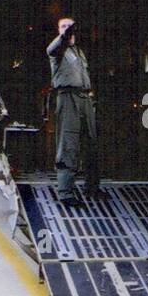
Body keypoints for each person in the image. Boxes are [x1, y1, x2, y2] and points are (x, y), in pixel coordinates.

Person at [46, 16, 100, 205]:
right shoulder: (58, 51)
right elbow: (52, 49)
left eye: (70, 26)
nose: (68, 29)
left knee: (91, 143)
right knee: (68, 144)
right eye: (63, 26)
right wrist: (65, 35)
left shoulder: (77, 51)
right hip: (68, 98)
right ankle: (66, 192)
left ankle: (92, 187)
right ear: (59, 30)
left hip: (84, 98)